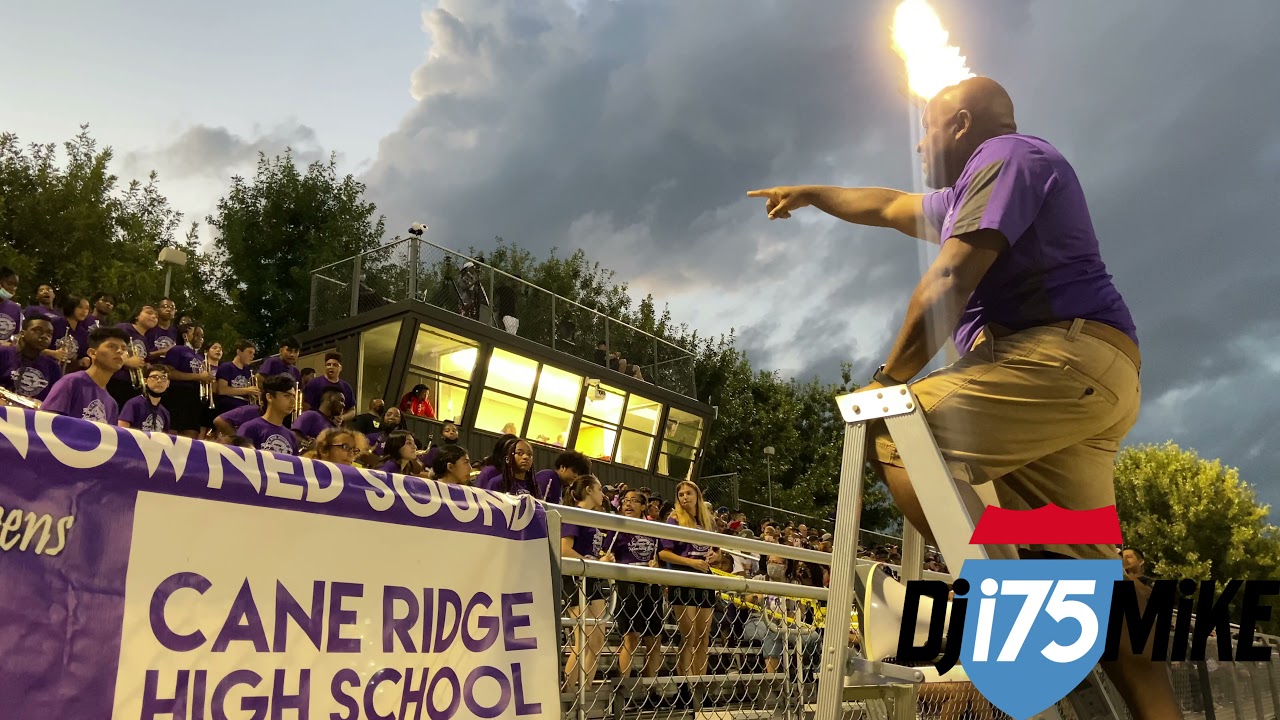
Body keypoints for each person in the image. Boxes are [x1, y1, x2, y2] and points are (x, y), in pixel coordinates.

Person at [747, 76, 1174, 716]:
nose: (919, 144)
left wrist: (889, 381)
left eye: (927, 128)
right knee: (1100, 598)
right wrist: (811, 194)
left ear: (962, 125)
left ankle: (1020, 630)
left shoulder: (1008, 157)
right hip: (1086, 382)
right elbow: (886, 204)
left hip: (1054, 357)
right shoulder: (968, 192)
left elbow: (950, 275)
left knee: (898, 432)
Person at [658, 480, 721, 704]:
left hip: (705, 579)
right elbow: (664, 553)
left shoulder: (707, 520)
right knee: (690, 634)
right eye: (681, 494)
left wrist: (715, 556)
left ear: (697, 495)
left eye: (688, 493)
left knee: (704, 636)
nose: (685, 497)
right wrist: (690, 562)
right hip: (683, 578)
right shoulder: (674, 519)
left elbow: (717, 550)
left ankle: (700, 685)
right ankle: (685, 685)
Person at [559, 474, 615, 694]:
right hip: (576, 578)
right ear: (590, 490)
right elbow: (564, 549)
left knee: (598, 637)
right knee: (583, 637)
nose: (603, 495)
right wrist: (590, 561)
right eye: (600, 489)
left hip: (593, 577)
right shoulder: (575, 515)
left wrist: (601, 560)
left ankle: (586, 691)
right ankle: (568, 691)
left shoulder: (593, 518)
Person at [39, 326, 127, 424]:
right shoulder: (71, 382)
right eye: (112, 346)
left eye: (124, 348)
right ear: (92, 353)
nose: (120, 351)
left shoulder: (112, 404)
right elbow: (44, 423)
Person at [0, 317, 61, 403]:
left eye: (49, 333)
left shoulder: (53, 367)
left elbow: (53, 401)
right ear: (22, 333)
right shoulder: (3, 354)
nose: (44, 336)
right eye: (38, 330)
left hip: (33, 415)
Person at [237, 375, 299, 455]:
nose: (293, 401)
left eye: (294, 396)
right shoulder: (250, 428)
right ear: (269, 397)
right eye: (286, 396)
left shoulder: (291, 437)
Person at [118, 365, 172, 433]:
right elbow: (121, 431)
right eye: (155, 377)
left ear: (168, 383)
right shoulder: (133, 404)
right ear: (145, 381)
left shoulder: (165, 412)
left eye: (164, 377)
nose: (159, 380)